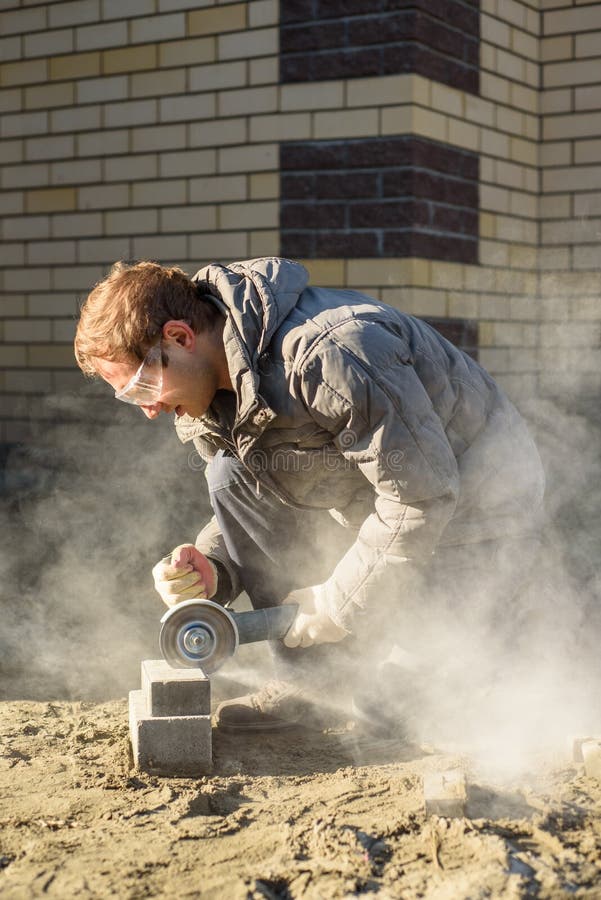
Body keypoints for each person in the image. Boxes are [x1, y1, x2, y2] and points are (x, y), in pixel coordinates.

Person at [75, 256, 545, 737]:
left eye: (141, 386)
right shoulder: (215, 392)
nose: (149, 409)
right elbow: (262, 490)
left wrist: (337, 603)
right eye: (131, 398)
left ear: (179, 337)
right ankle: (318, 681)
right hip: (376, 501)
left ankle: (448, 653)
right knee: (228, 473)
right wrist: (213, 567)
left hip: (476, 514)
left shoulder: (332, 353)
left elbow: (420, 498)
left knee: (407, 711)